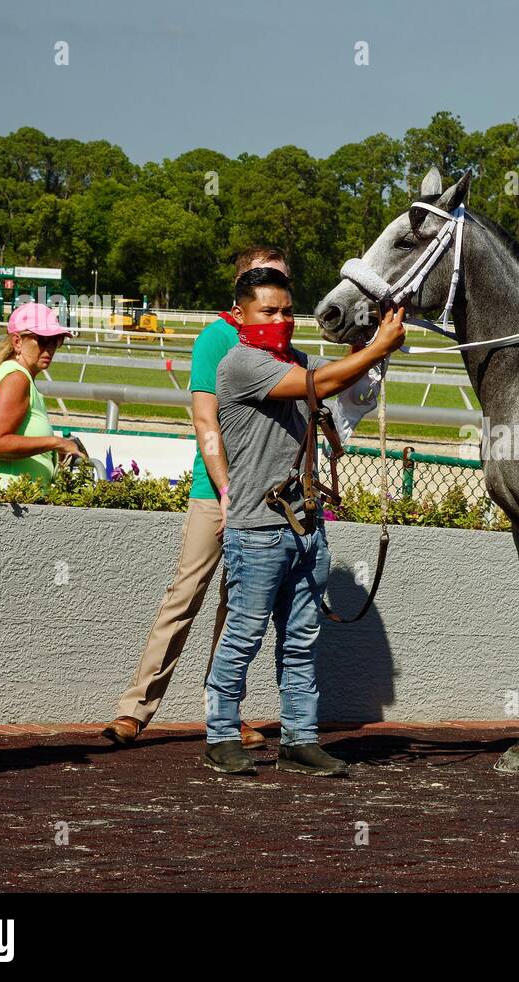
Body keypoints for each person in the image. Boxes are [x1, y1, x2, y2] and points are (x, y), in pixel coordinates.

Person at [202, 267, 403, 777]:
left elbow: (342, 382)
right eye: (269, 311)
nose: (281, 319)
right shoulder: (240, 364)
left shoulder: (294, 358)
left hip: (307, 527)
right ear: (241, 315)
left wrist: (370, 355)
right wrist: (375, 349)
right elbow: (321, 382)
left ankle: (299, 737)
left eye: (287, 310)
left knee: (301, 638)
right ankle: (222, 734)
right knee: (244, 635)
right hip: (258, 527)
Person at [103, 247, 288, 747]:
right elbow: (205, 421)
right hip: (218, 494)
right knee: (185, 596)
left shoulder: (283, 342)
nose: (275, 297)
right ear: (242, 288)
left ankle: (223, 714)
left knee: (240, 609)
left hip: (267, 504)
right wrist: (227, 491)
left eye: (280, 285)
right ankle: (135, 709)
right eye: (262, 281)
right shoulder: (216, 338)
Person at [0, 302, 84, 489]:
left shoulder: (6, 373)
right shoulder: (17, 379)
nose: (50, 348)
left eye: (55, 341)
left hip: (12, 497)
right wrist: (56, 443)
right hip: (11, 499)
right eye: (42, 340)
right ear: (17, 341)